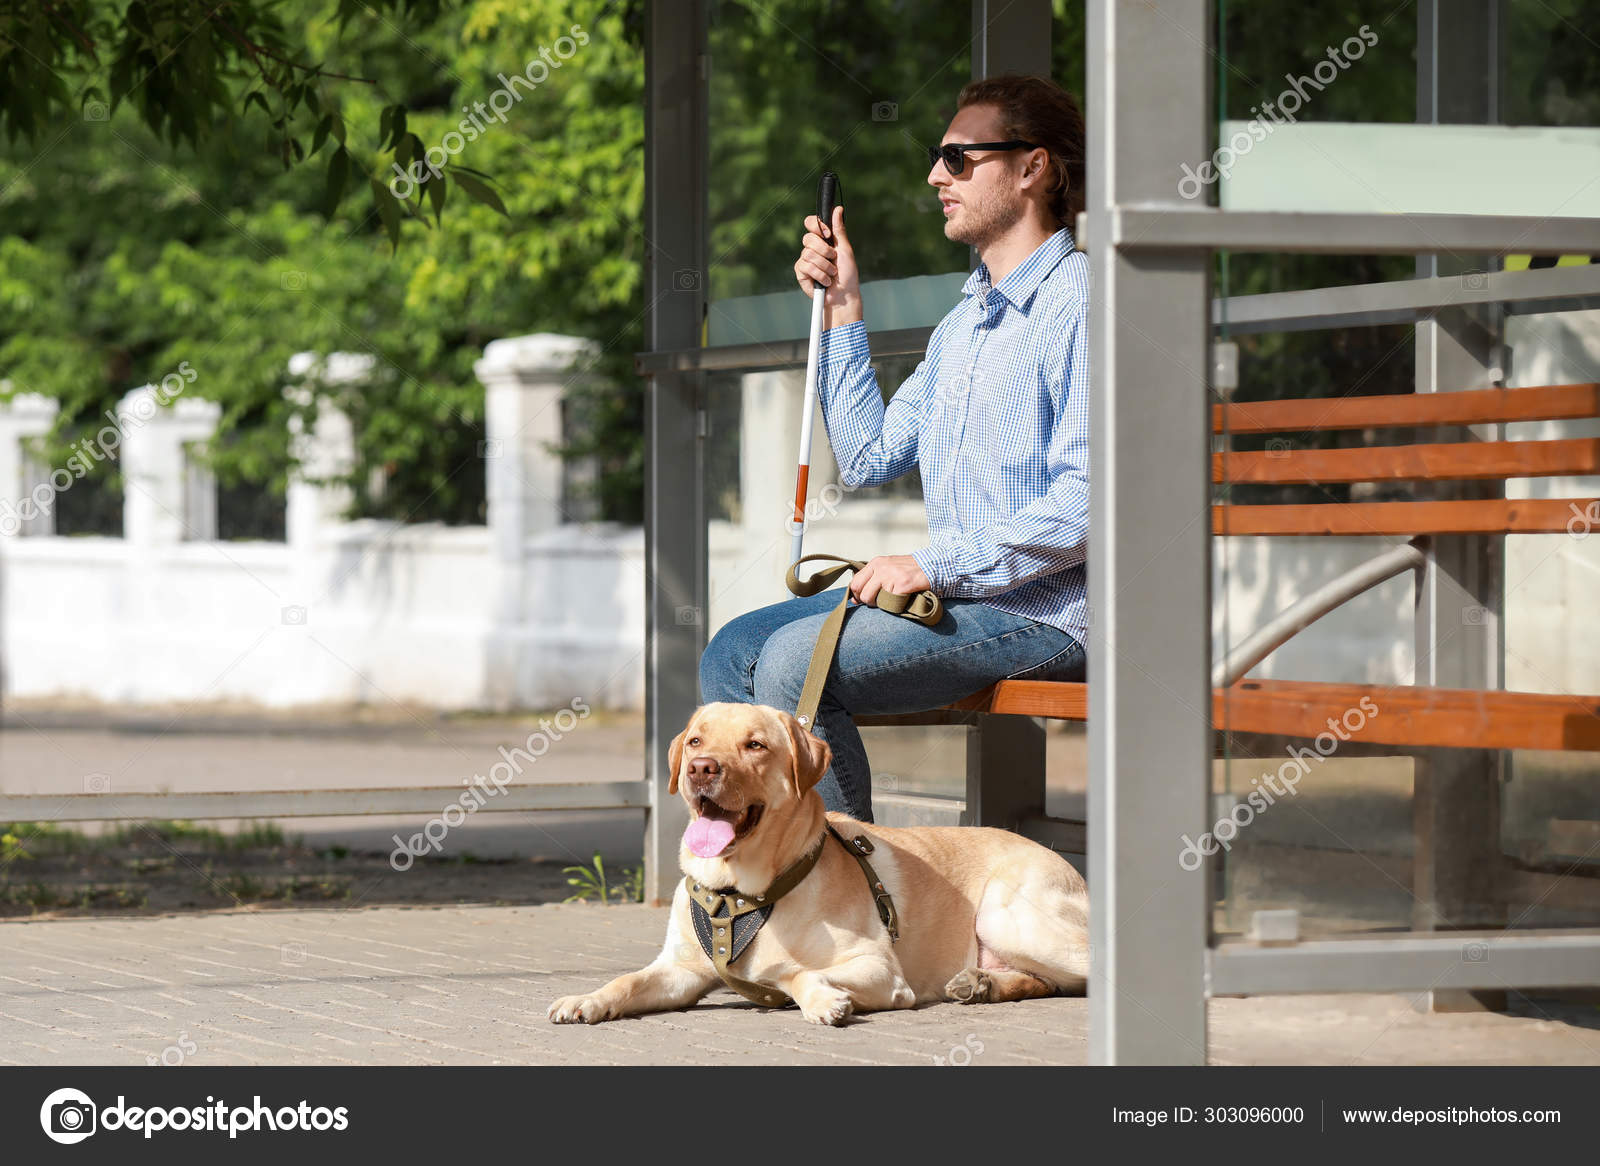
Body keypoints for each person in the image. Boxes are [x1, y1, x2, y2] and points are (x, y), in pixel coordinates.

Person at [699, 73, 1090, 822]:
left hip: (1049, 614)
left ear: (1032, 168)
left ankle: (850, 900)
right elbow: (872, 454)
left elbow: (1084, 505)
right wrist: (844, 306)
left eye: (957, 158)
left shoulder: (1078, 303)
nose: (936, 175)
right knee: (732, 651)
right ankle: (784, 873)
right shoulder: (964, 324)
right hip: (969, 602)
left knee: (790, 664)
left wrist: (928, 564)